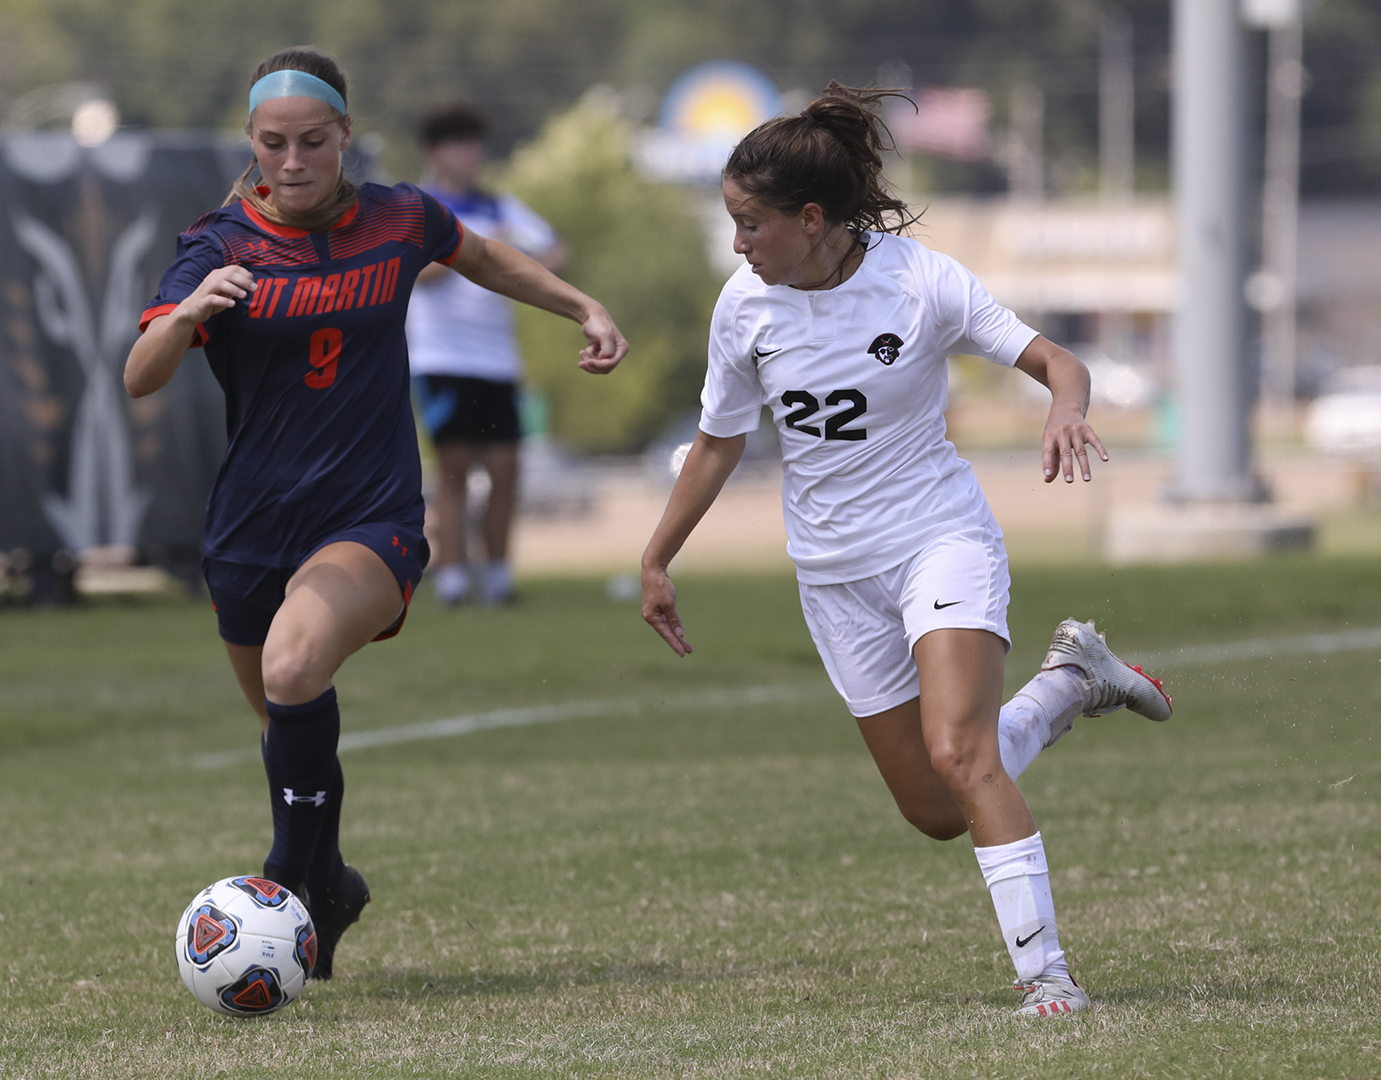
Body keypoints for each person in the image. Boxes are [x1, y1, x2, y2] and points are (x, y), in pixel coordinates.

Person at [637, 83, 1172, 1018]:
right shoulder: (743, 309)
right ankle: (1074, 681)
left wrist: (1066, 411)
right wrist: (657, 557)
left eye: (751, 224)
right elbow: (721, 441)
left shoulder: (921, 280)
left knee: (961, 755)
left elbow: (1058, 362)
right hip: (835, 579)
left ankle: (1048, 977)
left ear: (812, 219)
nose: (738, 245)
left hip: (940, 540)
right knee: (935, 807)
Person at [126, 47, 628, 980]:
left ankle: (283, 886)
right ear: (251, 143)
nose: (292, 161)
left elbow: (482, 256)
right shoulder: (220, 243)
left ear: (345, 135)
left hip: (370, 514)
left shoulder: (398, 216)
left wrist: (581, 306)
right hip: (247, 530)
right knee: (287, 716)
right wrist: (187, 309)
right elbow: (139, 374)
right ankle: (331, 883)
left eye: (313, 141)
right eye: (272, 144)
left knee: (294, 661)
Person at [406, 104, 567, 606]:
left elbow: (555, 250)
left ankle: (498, 579)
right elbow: (412, 272)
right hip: (443, 358)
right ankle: (453, 580)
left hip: (498, 360)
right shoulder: (423, 207)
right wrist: (471, 257)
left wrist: (509, 260)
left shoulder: (498, 207)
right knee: (454, 469)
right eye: (459, 144)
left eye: (475, 143)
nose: (471, 154)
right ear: (436, 153)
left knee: (506, 470)